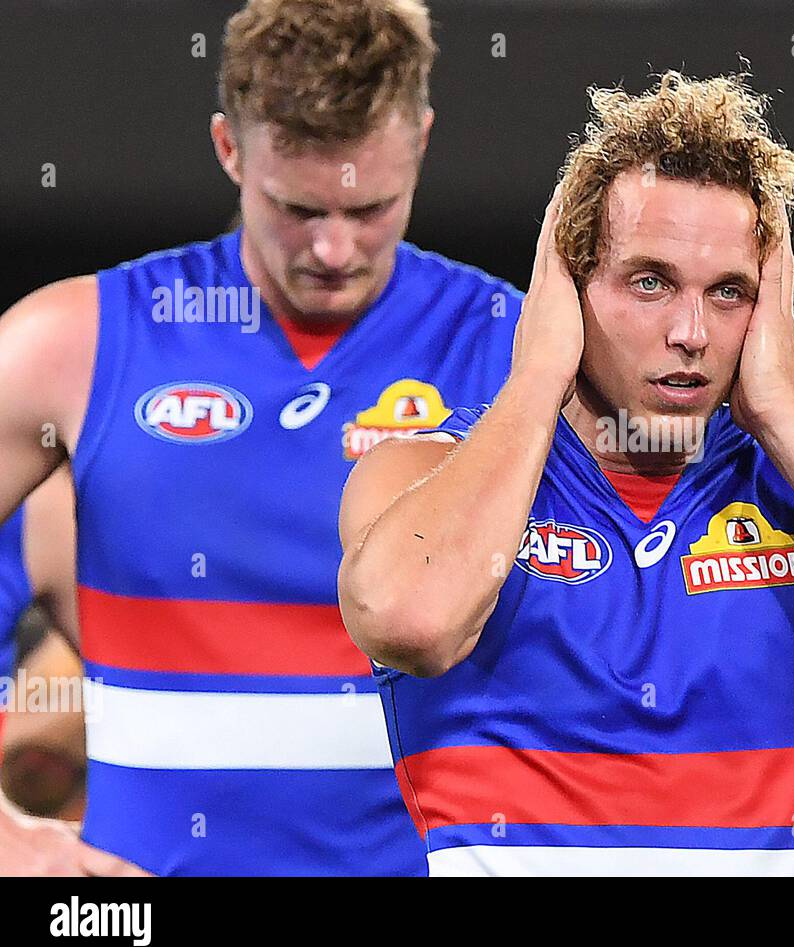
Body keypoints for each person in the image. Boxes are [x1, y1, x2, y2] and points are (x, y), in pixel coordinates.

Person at [338, 72, 794, 876]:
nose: (690, 331)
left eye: (729, 294)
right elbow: (412, 621)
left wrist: (784, 414)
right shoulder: (418, 470)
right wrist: (536, 380)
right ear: (569, 288)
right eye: (651, 282)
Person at [0, 0, 521, 875]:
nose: (333, 247)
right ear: (228, 148)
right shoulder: (71, 345)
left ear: (422, 142)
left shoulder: (519, 351)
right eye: (297, 207)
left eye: (371, 208)